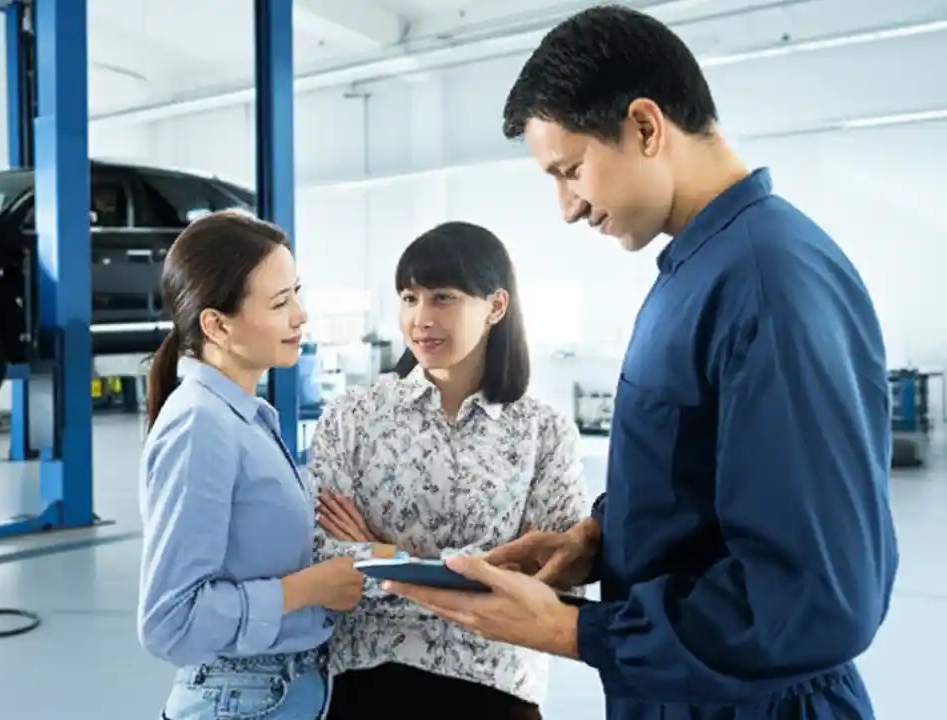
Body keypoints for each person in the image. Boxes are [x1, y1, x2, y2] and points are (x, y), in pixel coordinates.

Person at [383, 6, 899, 720]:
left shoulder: (767, 280)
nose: (567, 207)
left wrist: (572, 628)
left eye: (570, 170)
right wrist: (595, 541)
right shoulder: (697, 269)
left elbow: (817, 598)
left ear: (646, 127)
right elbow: (704, 474)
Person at [310, 221, 591, 719]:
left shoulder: (543, 433)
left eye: (443, 297)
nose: (420, 318)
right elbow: (320, 558)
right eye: (409, 297)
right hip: (371, 685)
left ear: (496, 307)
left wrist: (380, 552)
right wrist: (487, 571)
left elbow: (561, 580)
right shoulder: (353, 417)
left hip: (499, 693)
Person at [136, 211, 365, 720]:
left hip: (278, 691)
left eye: (297, 293)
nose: (301, 315)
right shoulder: (201, 426)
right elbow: (170, 622)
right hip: (243, 699)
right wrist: (307, 589)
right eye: (280, 303)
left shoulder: (244, 417)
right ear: (216, 324)